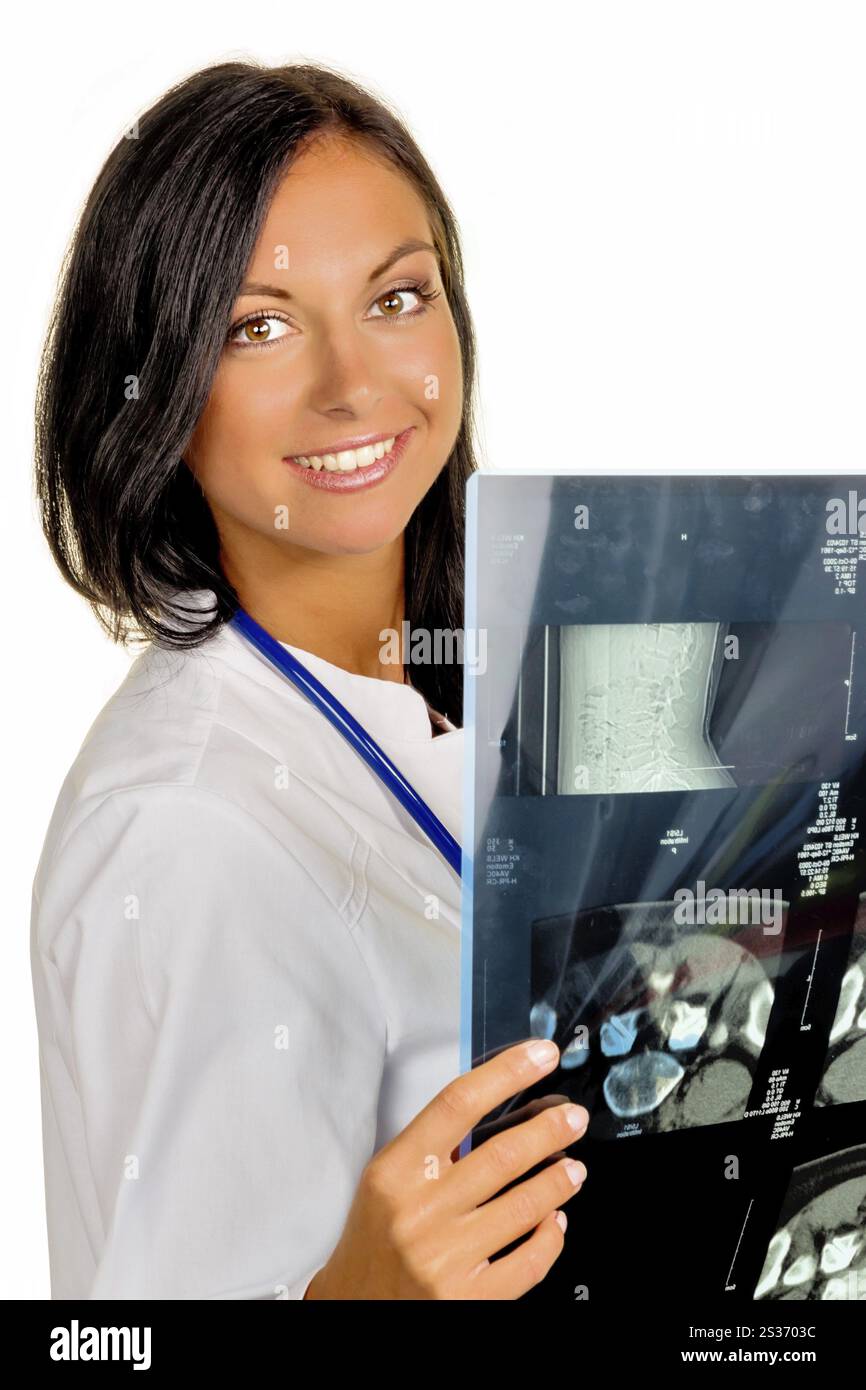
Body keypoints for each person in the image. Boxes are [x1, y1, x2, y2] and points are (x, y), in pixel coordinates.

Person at [30, 59, 589, 1301]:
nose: (352, 385)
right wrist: (360, 1300)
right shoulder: (182, 830)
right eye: (258, 325)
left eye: (396, 297)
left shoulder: (474, 690)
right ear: (157, 391)